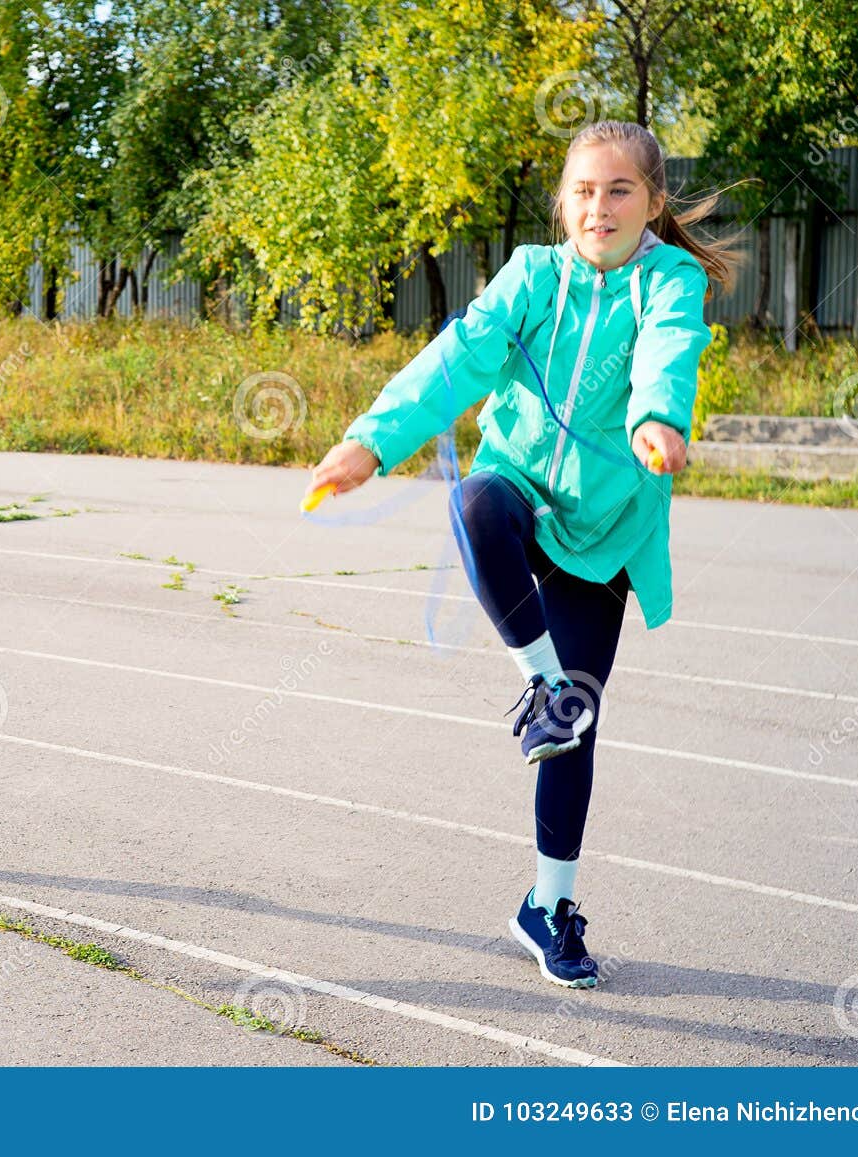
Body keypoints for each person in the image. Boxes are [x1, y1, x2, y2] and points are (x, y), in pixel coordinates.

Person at [307, 121, 740, 988]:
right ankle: (544, 686)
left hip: (605, 529)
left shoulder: (670, 279)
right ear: (563, 202)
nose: (598, 207)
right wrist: (371, 441)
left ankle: (549, 905)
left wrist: (658, 418)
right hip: (520, 493)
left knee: (577, 729)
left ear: (653, 201)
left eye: (619, 190)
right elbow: (458, 357)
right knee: (473, 501)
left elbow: (668, 349)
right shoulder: (534, 276)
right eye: (583, 191)